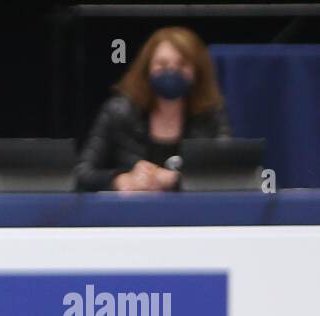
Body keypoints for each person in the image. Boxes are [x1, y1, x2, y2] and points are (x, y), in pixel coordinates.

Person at [75, 26, 230, 192]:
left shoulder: (211, 115)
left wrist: (175, 179)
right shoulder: (117, 112)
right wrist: (120, 179)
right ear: (147, 68)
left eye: (181, 65)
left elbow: (226, 175)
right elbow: (81, 174)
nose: (171, 71)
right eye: (162, 64)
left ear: (196, 71)